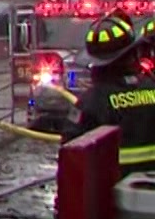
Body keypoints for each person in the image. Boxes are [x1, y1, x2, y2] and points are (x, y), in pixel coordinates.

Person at [64, 14, 155, 178]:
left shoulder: (89, 103)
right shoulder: (152, 87)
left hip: (109, 195)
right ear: (133, 53)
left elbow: (71, 157)